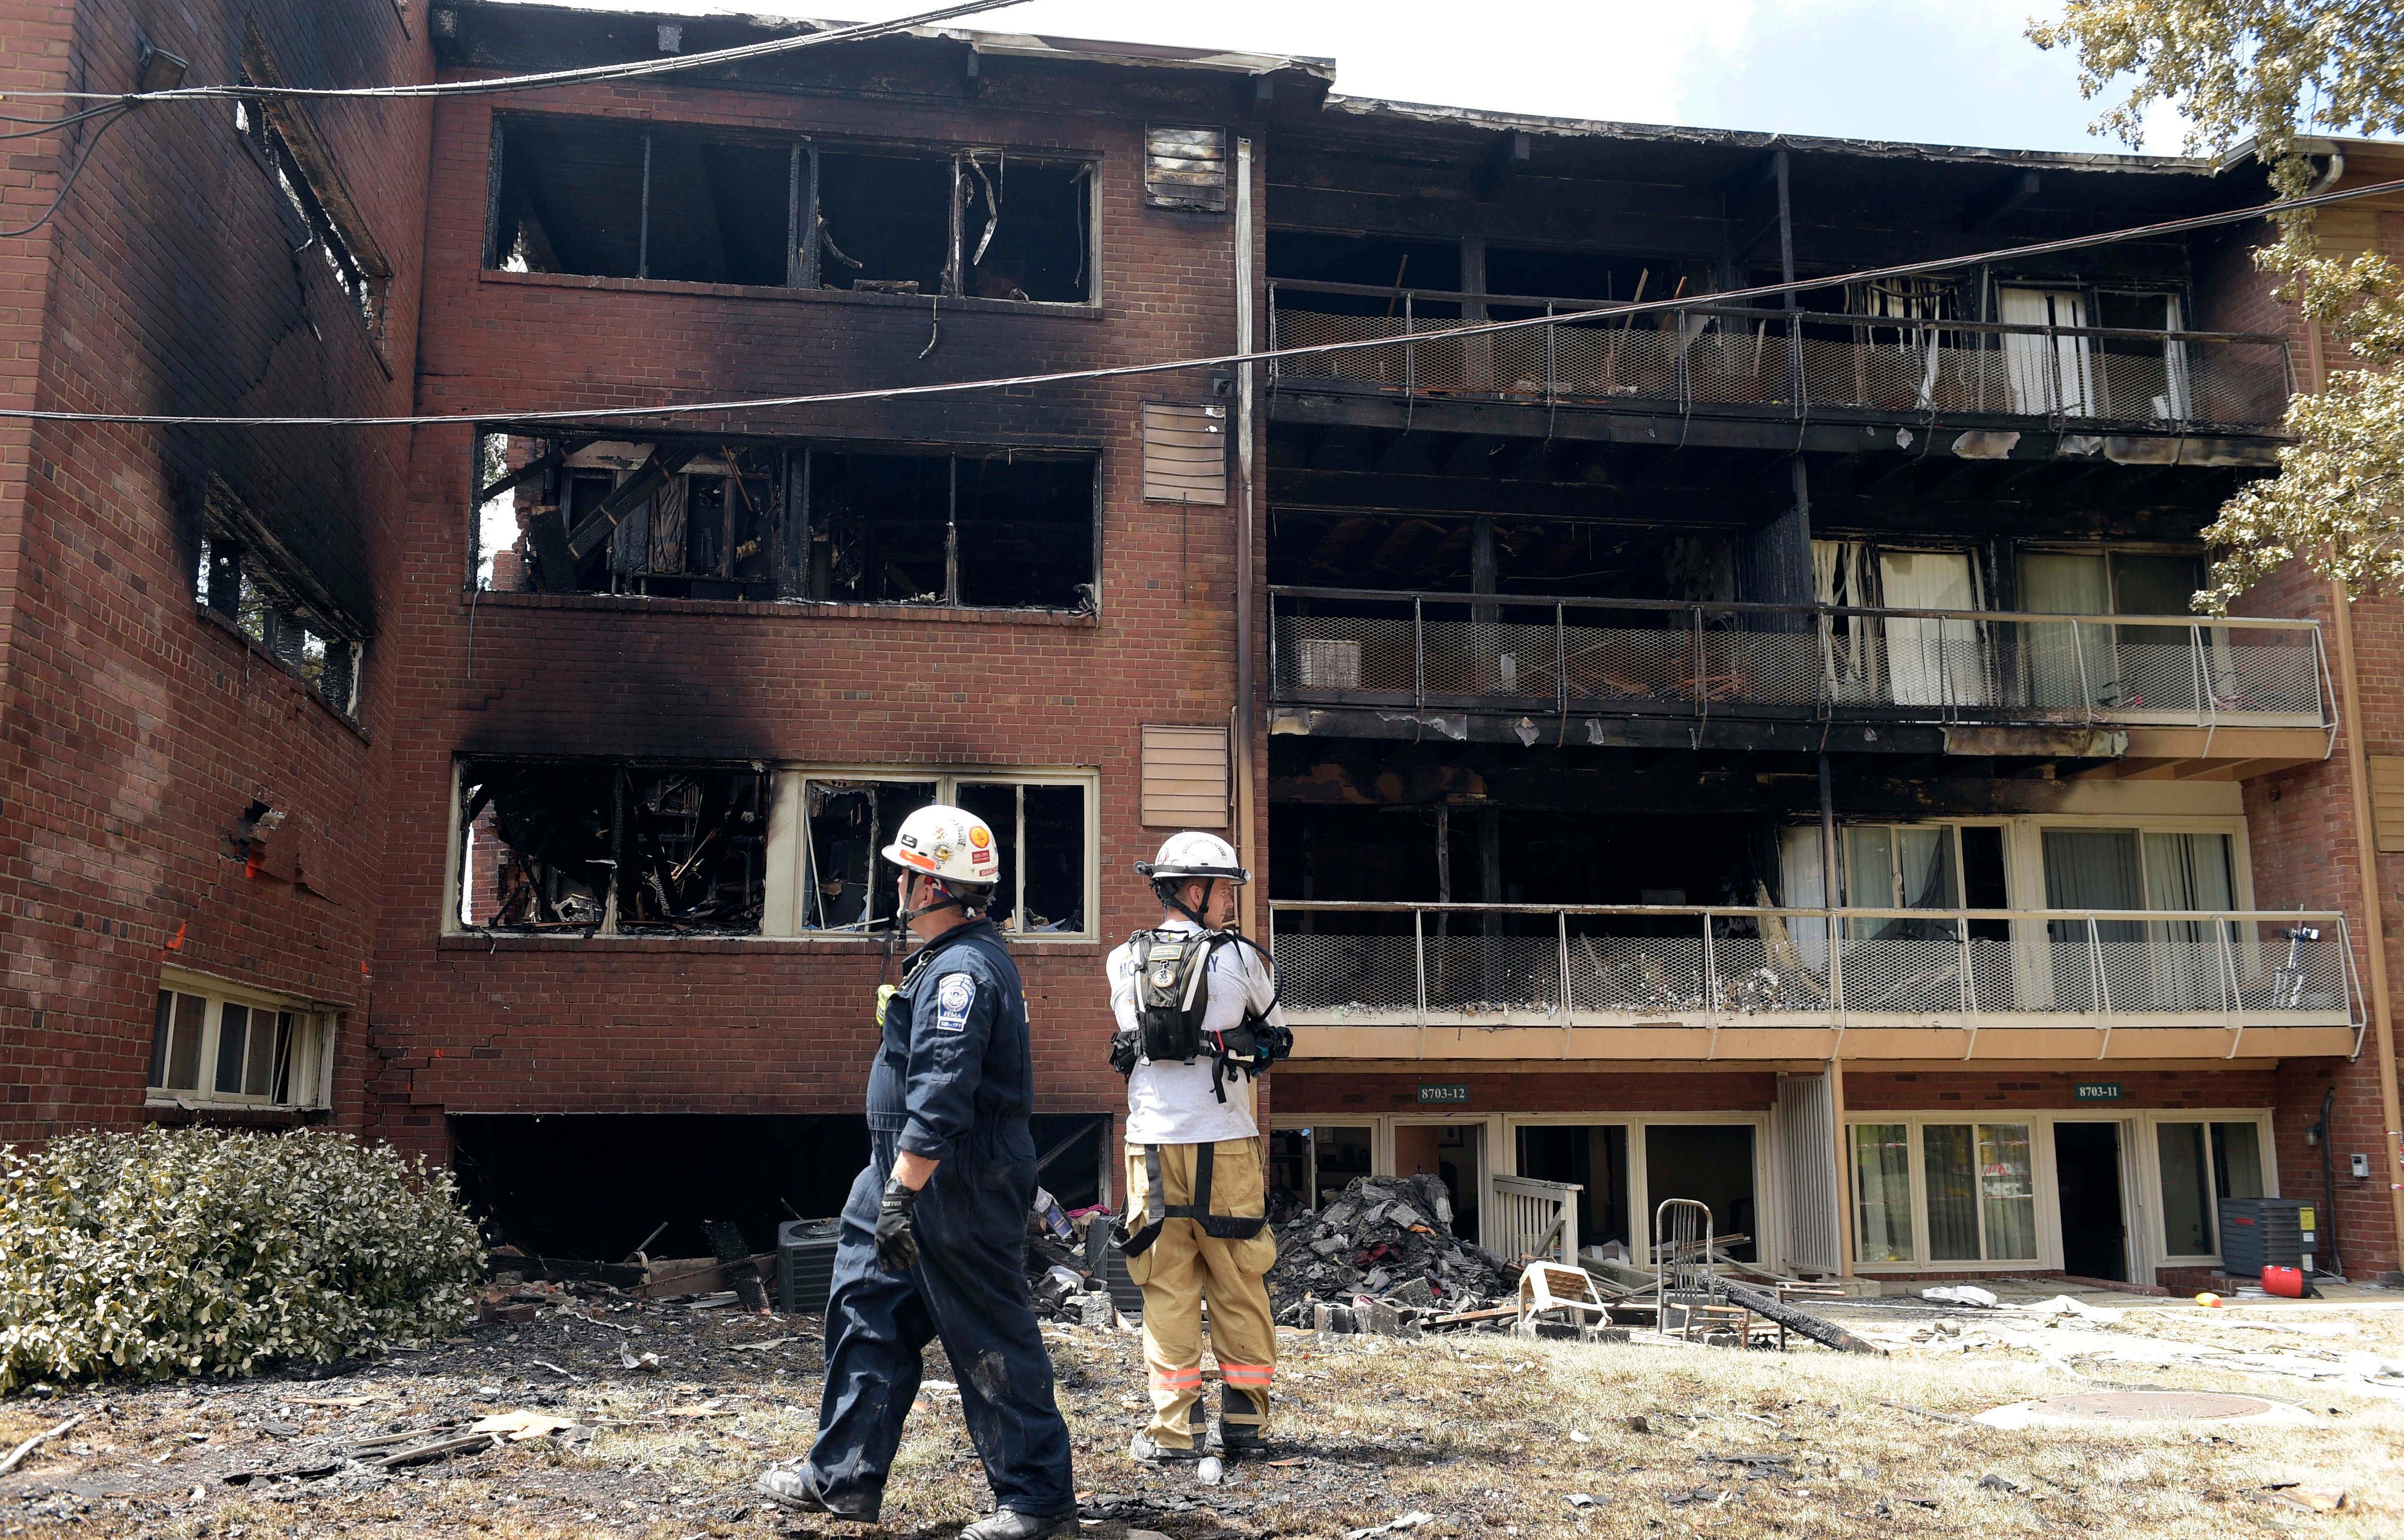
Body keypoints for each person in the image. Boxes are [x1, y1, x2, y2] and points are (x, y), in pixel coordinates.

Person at [757, 805, 1077, 1540]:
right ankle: (842, 1478)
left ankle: (1037, 1502)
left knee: (988, 1333)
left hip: (949, 1183)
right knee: (865, 1317)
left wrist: (903, 1189)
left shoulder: (963, 971)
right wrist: (889, 1188)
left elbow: (942, 1088)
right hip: (899, 1176)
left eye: (907, 873)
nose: (897, 885)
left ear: (933, 888)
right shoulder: (944, 962)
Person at [1106, 831, 1292, 1464]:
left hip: (1151, 1147)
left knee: (1166, 1287)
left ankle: (1174, 1432)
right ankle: (1243, 1423)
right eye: (1224, 891)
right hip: (1226, 1145)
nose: (1231, 904)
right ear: (1194, 891)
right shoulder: (1241, 960)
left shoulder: (1121, 960)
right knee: (1239, 1280)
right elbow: (1275, 1036)